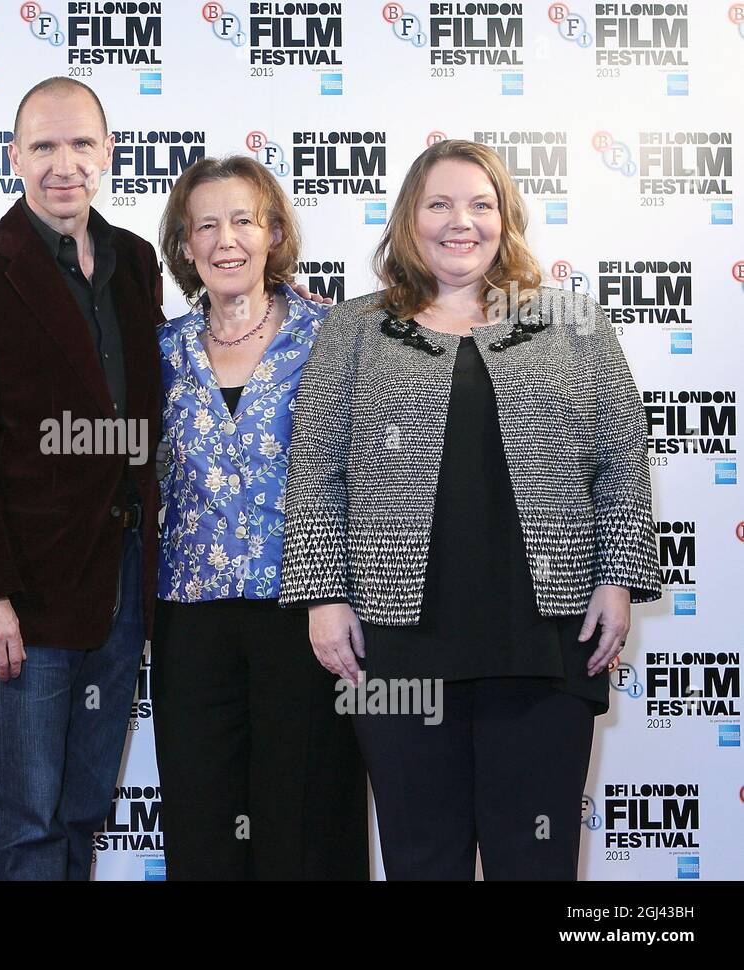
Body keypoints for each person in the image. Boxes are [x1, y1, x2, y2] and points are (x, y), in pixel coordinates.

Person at [279, 139, 661, 880]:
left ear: (505, 217)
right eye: (441, 204)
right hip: (398, 642)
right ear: (408, 220)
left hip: (546, 639)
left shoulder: (573, 323)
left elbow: (621, 463)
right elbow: (317, 470)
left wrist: (617, 579)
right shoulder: (353, 329)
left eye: (480, 204)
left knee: (537, 859)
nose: (463, 222)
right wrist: (324, 596)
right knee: (424, 859)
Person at [0, 77, 164, 880]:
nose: (64, 164)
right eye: (45, 146)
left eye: (81, 144)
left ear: (108, 153)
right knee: (24, 823)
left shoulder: (135, 262)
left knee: (84, 811)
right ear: (14, 156)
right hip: (23, 595)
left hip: (123, 584)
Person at [153, 155, 368, 880]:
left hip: (306, 615)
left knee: (307, 822)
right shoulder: (163, 351)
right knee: (202, 823)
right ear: (184, 246)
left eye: (243, 219)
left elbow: (368, 475)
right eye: (205, 225)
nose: (226, 240)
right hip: (191, 620)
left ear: (273, 231)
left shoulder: (335, 335)